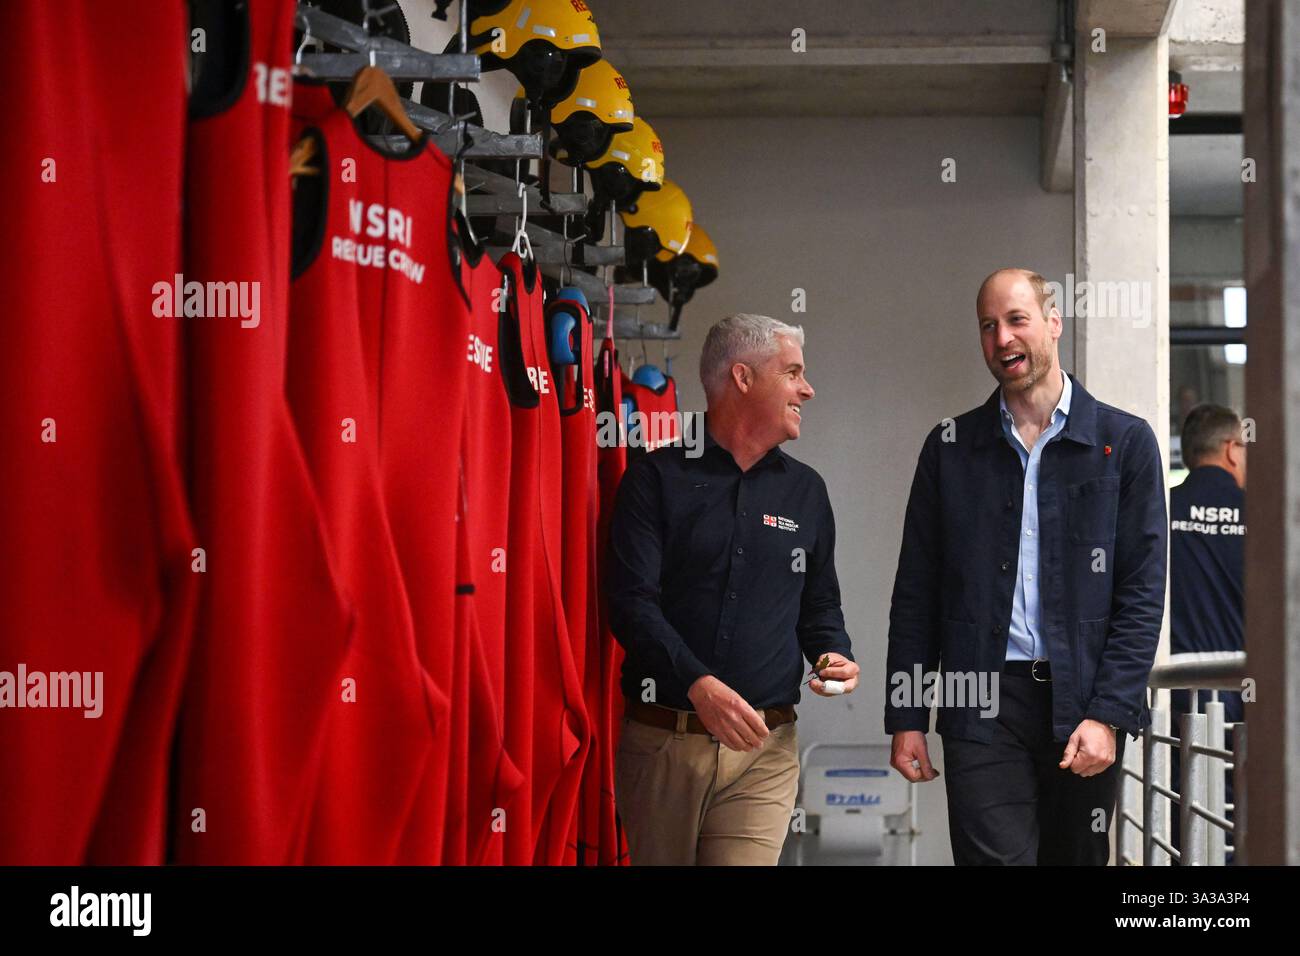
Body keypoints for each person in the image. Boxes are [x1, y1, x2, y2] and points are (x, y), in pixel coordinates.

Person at [885, 268, 1167, 865]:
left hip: (1083, 698)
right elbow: (916, 590)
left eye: (1017, 320)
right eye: (988, 326)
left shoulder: (1126, 442)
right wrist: (907, 714)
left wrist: (1109, 715)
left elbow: (1141, 594)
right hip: (979, 699)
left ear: (1054, 322)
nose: (1002, 339)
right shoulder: (950, 447)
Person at [607, 313, 858, 865]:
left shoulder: (807, 492)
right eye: (793, 372)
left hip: (765, 750)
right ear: (742, 378)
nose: (807, 389)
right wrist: (698, 684)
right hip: (663, 744)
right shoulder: (655, 479)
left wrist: (833, 653)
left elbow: (819, 606)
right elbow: (631, 604)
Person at [1169, 403, 1246, 863]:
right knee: (1245, 825)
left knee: (1187, 824)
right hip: (1248, 701)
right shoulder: (1268, 519)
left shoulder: (1162, 512)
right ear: (1232, 449)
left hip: (1178, 702)